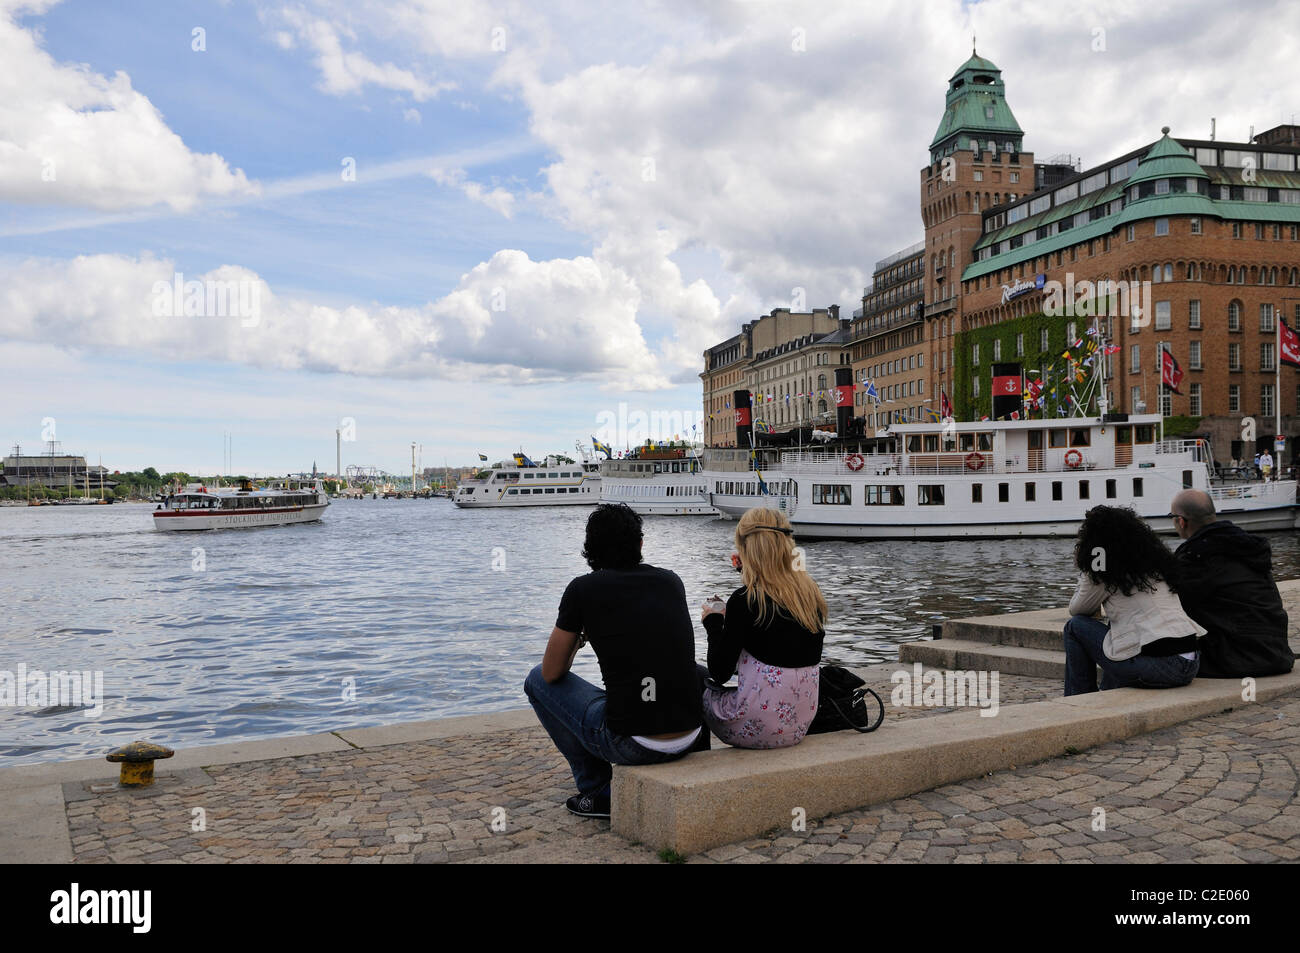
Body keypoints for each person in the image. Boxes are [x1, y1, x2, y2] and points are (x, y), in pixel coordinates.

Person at [524, 503, 704, 819]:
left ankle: (598, 790)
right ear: (640, 545)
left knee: (536, 680)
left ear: (589, 549)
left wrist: (579, 641)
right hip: (690, 734)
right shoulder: (671, 581)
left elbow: (552, 672)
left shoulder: (582, 589)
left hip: (634, 743)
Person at [699, 507, 825, 747]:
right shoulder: (810, 595)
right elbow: (776, 642)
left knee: (693, 676)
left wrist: (714, 622)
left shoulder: (744, 601)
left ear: (747, 550)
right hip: (797, 726)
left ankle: (692, 755)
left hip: (756, 728)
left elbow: (719, 672)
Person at [1062, 505, 1204, 696]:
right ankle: (1106, 691)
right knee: (1118, 638)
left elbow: (1078, 609)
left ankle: (1079, 697)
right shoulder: (1155, 562)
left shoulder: (1103, 567)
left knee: (1074, 627)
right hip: (1189, 663)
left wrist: (1087, 570)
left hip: (1160, 668)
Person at [1169, 489, 1295, 678]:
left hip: (1237, 658)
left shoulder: (1195, 557)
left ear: (1181, 521)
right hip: (1275, 652)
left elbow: (1176, 607)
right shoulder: (1245, 546)